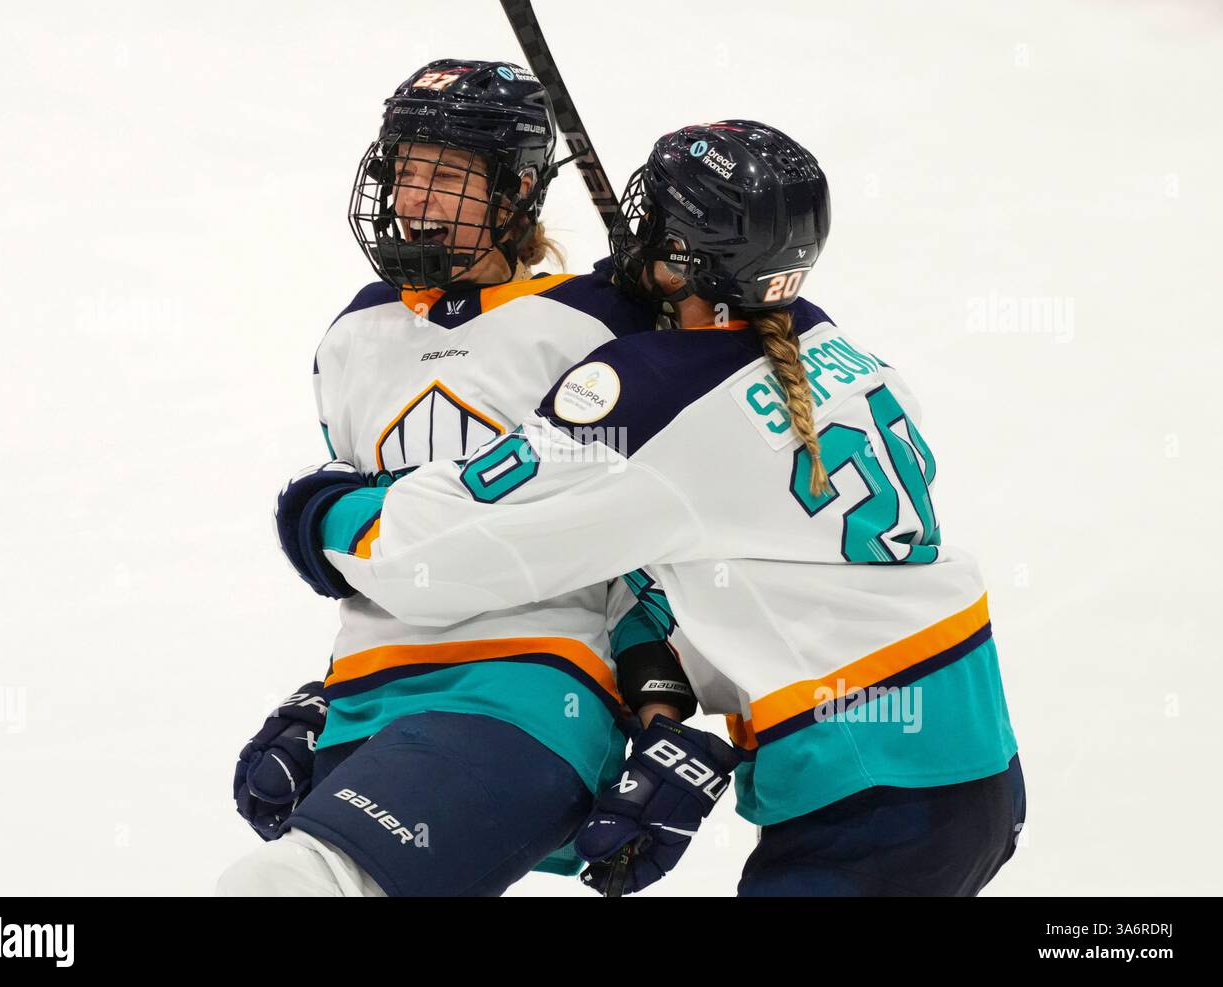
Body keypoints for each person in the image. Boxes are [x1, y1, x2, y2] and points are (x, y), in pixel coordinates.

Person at [274, 120, 1026, 896]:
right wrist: (663, 707)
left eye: (651, 223)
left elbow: (448, 545)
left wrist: (322, 510)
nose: (630, 235)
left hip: (874, 796)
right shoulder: (820, 336)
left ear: (684, 261)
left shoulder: (654, 398)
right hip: (970, 756)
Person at [219, 60, 696, 897]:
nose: (417, 197)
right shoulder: (352, 335)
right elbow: (389, 553)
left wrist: (659, 718)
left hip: (530, 689)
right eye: (405, 170)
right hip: (373, 700)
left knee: (284, 887)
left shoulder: (596, 327)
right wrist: (325, 697)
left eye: (446, 175)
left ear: (515, 191)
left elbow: (649, 552)